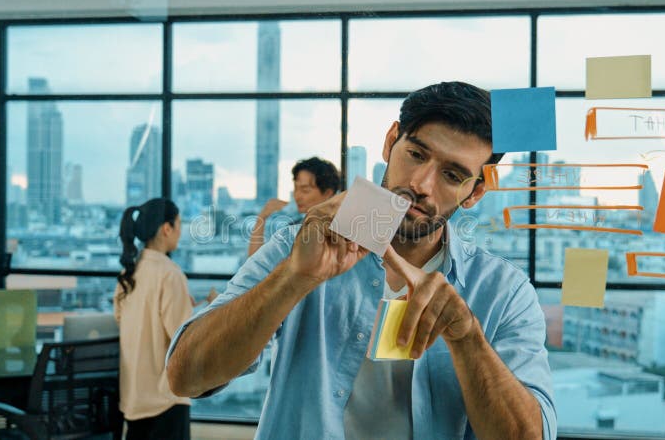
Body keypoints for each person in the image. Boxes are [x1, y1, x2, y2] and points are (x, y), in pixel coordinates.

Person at [166, 82, 556, 439]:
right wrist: (292, 279)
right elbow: (185, 377)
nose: (420, 184)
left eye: (452, 175)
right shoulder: (298, 247)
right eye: (416, 154)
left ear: (475, 192)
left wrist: (467, 337)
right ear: (390, 142)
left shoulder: (503, 291)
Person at [114, 198, 193, 440]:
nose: (181, 231)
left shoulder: (128, 273)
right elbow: (184, 338)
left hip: (134, 398)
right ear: (166, 228)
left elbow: (129, 321)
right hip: (165, 400)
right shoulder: (170, 274)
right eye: (179, 224)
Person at [247, 157, 341, 257]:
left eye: (305, 190)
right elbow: (256, 262)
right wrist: (262, 217)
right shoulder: (294, 225)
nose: (297, 196)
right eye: (295, 189)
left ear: (328, 193)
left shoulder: (338, 230)